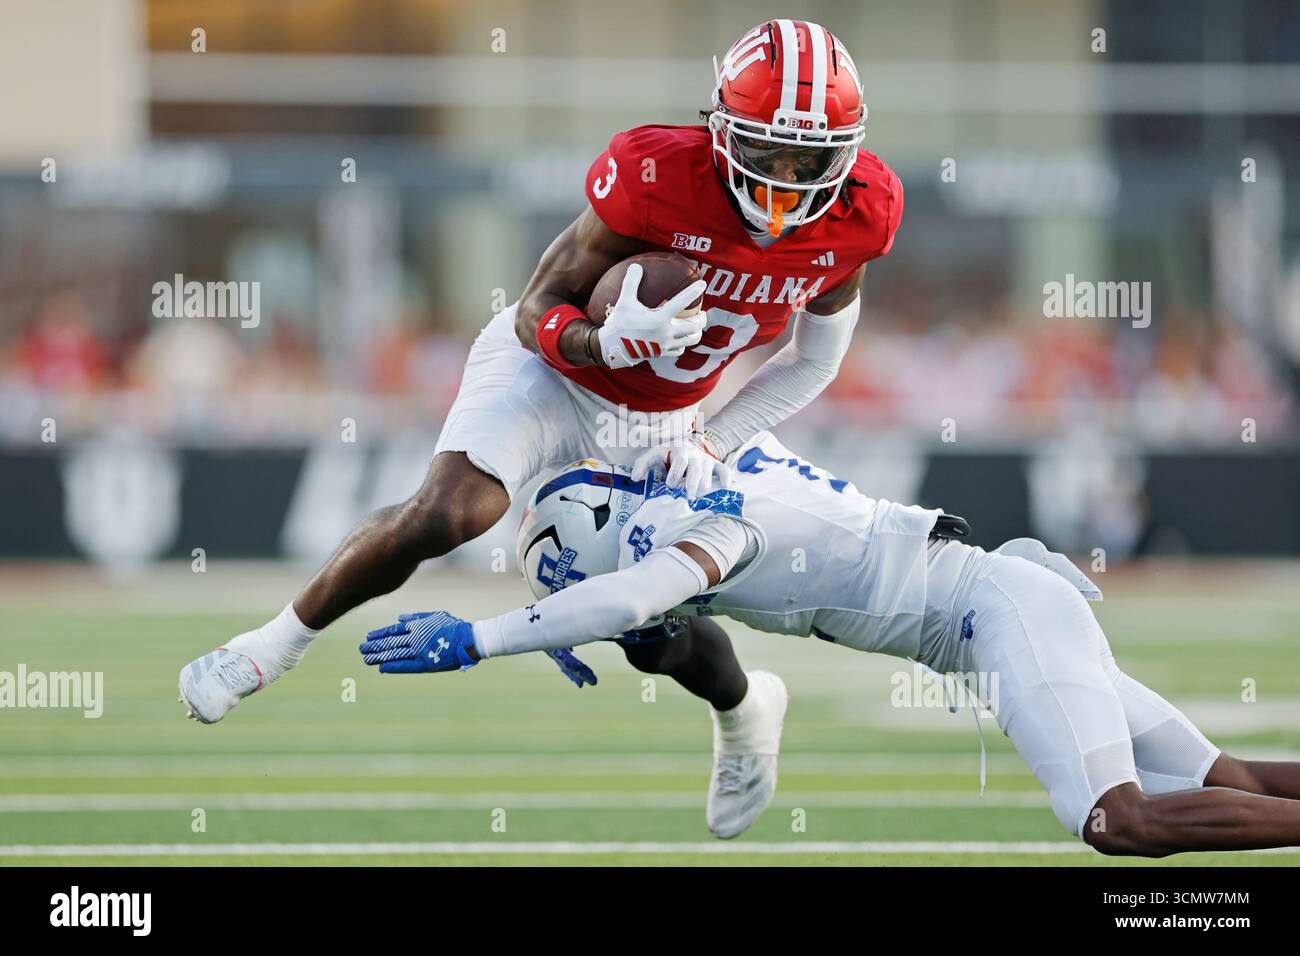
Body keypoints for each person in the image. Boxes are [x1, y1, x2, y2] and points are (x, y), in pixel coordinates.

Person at [180, 18, 901, 838]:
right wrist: (604, 340)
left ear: (845, 154)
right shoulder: (656, 173)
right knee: (449, 513)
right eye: (765, 153)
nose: (783, 180)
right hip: (551, 374)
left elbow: (813, 363)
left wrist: (712, 439)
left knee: (649, 631)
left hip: (665, 418)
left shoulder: (861, 214)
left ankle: (744, 710)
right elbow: (534, 309)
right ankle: (270, 646)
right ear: (720, 131)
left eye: (806, 161)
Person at [359, 434, 1300, 854]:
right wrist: (572, 616)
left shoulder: (703, 528)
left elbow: (641, 594)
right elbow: (641, 607)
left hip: (997, 614)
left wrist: (480, 638)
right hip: (998, 607)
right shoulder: (693, 469)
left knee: (1114, 819)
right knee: (1231, 782)